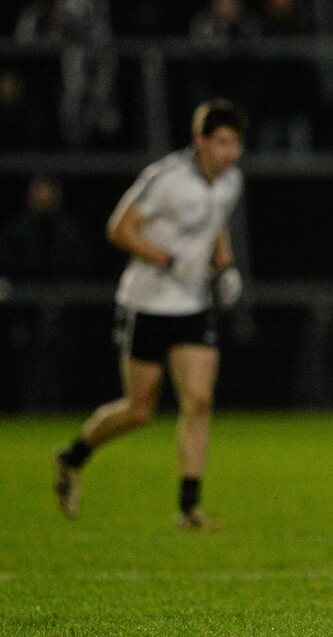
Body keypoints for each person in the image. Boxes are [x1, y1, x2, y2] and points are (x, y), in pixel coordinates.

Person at [53, 99, 247, 530]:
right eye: (222, 142)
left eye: (235, 143)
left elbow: (214, 223)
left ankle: (189, 507)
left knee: (198, 401)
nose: (230, 152)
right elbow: (119, 227)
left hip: (192, 304)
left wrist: (226, 266)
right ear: (200, 142)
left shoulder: (229, 181)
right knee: (139, 410)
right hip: (147, 302)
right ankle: (73, 456)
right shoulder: (166, 179)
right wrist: (164, 258)